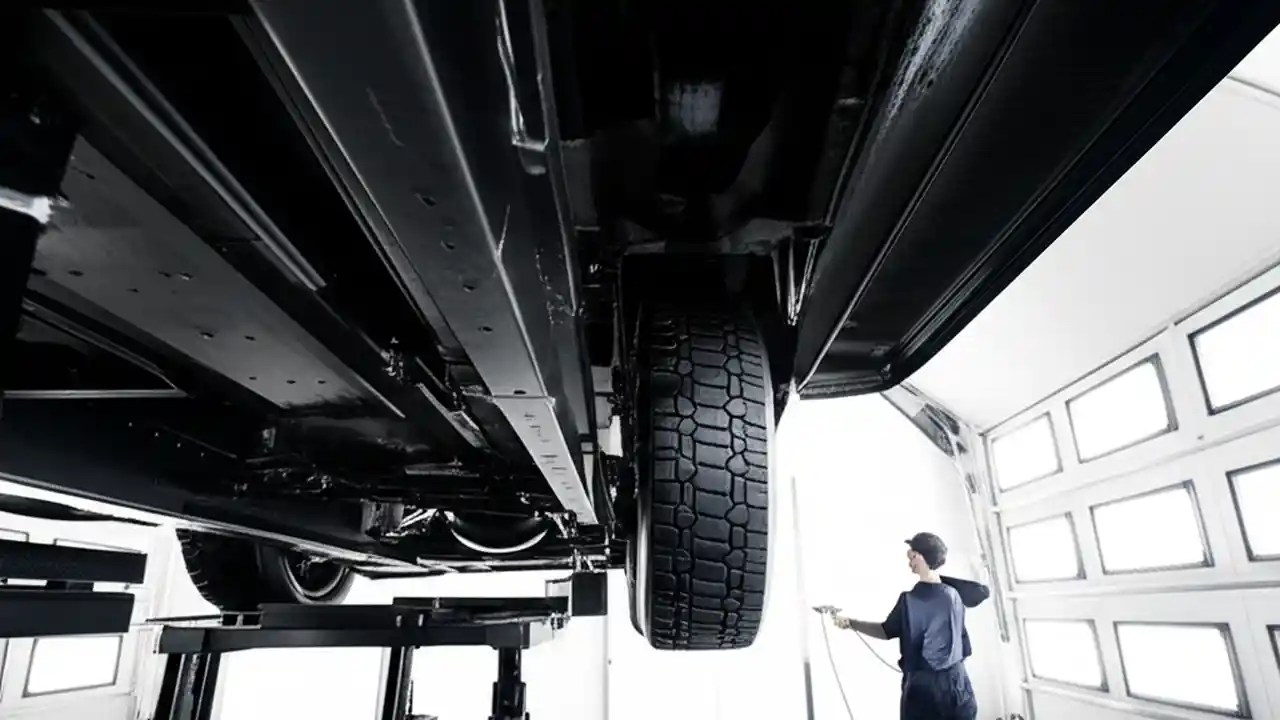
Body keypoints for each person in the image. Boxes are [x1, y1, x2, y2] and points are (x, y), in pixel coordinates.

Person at [830, 532, 988, 720]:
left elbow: (885, 630)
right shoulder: (954, 593)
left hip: (925, 688)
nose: (910, 563)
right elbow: (980, 593)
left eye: (912, 556)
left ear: (923, 556)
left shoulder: (911, 600)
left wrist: (851, 623)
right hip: (957, 684)